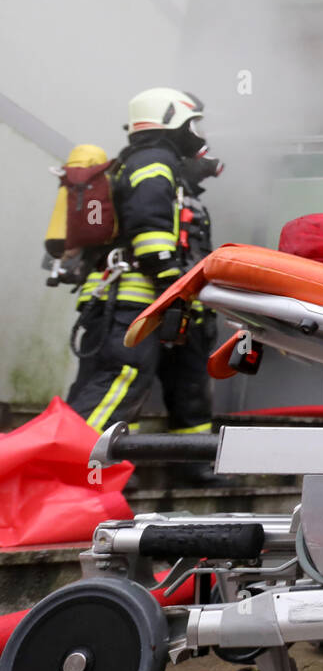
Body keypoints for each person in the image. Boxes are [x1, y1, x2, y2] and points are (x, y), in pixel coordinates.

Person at [66, 88, 222, 478]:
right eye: (193, 123)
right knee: (120, 380)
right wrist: (171, 280)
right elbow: (149, 221)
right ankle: (77, 468)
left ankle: (193, 468)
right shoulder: (153, 161)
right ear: (172, 118)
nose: (197, 134)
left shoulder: (161, 163)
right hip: (134, 299)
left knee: (188, 385)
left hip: (162, 301)